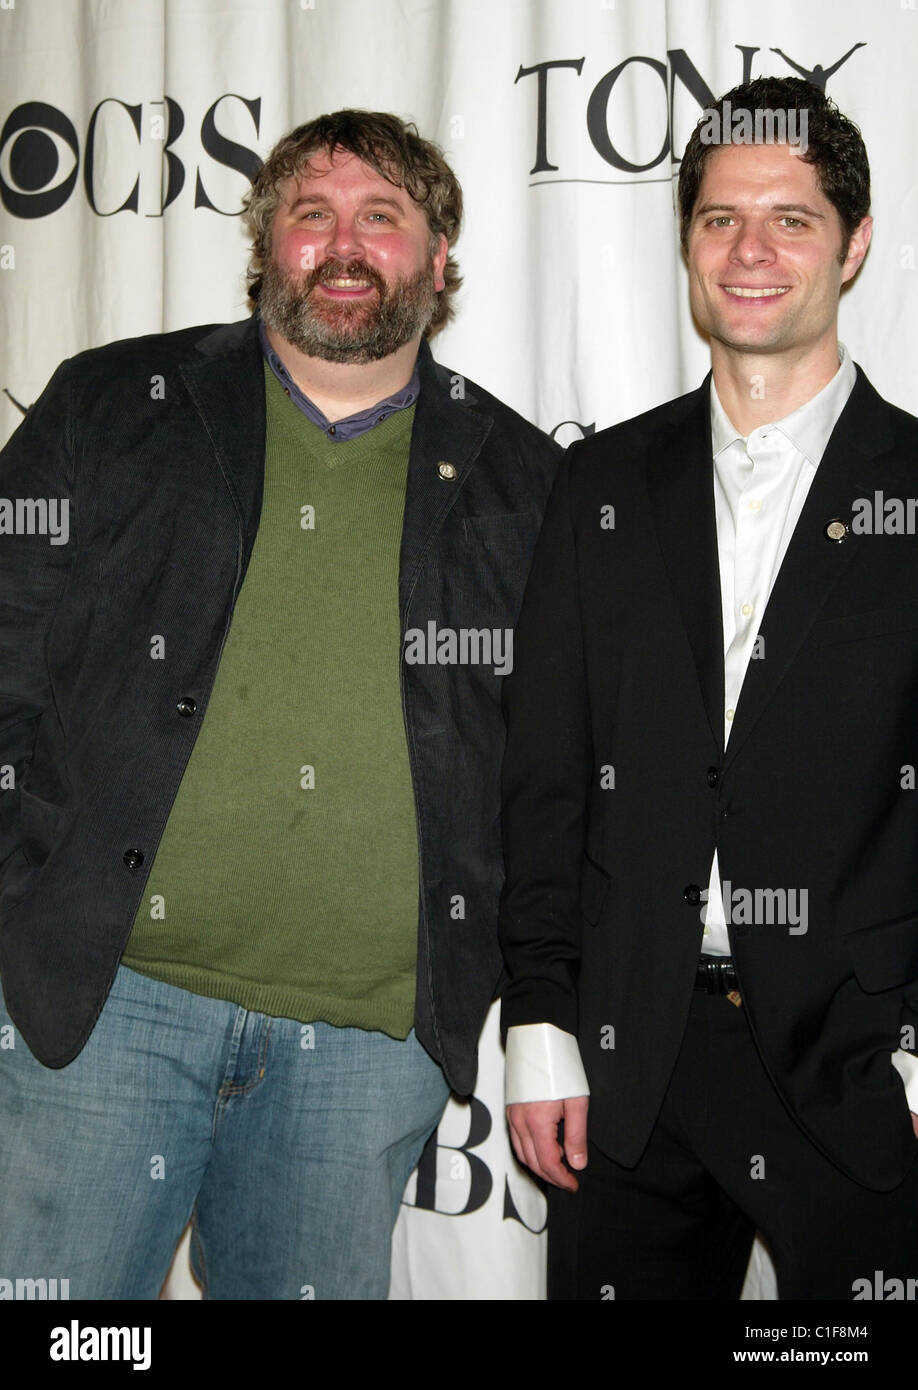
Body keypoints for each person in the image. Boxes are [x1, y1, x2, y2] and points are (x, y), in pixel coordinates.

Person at [0, 109, 560, 1299]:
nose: (343, 244)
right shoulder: (112, 406)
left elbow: (559, 763)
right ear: (267, 248)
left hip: (363, 1044)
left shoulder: (526, 479)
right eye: (311, 215)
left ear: (439, 261)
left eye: (381, 220)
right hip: (105, 1011)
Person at [499, 76, 918, 1300]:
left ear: (856, 243)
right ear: (686, 242)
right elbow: (545, 774)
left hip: (859, 1059)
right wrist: (540, 1017)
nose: (751, 251)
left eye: (791, 218)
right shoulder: (604, 485)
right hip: (634, 1062)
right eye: (722, 217)